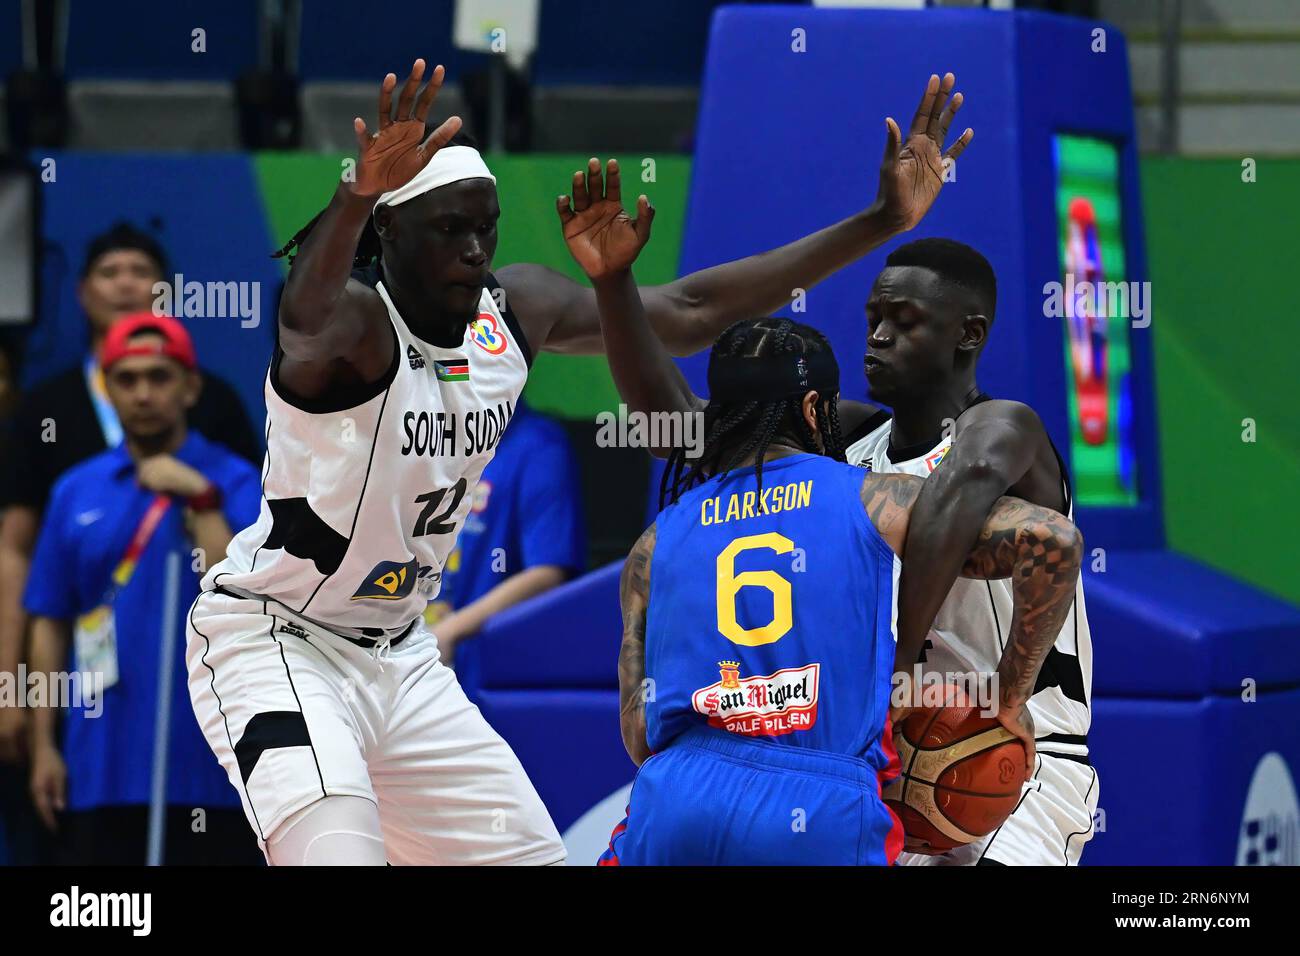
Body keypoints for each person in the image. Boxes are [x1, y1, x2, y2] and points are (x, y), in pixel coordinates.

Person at [184, 59, 971, 866]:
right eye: (449, 229)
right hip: (284, 640)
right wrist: (353, 195)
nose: (473, 247)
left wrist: (879, 222)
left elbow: (691, 311)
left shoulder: (512, 310)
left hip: (402, 658)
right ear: (389, 232)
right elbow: (302, 315)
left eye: (483, 225)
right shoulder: (354, 329)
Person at [591, 317, 1082, 865]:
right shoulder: (877, 500)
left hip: (676, 807)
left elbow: (639, 733)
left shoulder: (655, 544)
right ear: (811, 411)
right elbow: (1053, 540)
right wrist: (1009, 697)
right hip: (817, 808)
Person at [844, 238, 1098, 865]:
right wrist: (615, 287)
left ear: (969, 334)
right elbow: (690, 423)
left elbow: (964, 479)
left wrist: (893, 670)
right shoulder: (849, 440)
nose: (878, 336)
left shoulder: (1008, 428)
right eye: (873, 317)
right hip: (891, 749)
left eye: (904, 322)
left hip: (1016, 748)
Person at [0, 223, 261, 766]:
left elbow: (253, 563)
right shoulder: (46, 410)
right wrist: (13, 687)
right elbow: (18, 555)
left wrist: (200, 498)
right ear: (81, 291)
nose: (124, 286)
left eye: (140, 272)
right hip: (94, 701)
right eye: (109, 272)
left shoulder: (217, 407)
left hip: (205, 698)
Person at [23, 314, 263, 865]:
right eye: (126, 380)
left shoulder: (239, 481)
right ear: (107, 389)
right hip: (98, 766)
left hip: (210, 769)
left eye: (160, 377)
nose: (144, 394)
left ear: (191, 386)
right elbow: (49, 621)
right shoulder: (74, 490)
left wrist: (201, 498)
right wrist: (42, 748)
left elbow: (240, 596)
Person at [425, 399, 584, 666]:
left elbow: (548, 571)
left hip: (476, 665)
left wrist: (449, 632)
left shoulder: (538, 445)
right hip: (408, 648)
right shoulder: (423, 433)